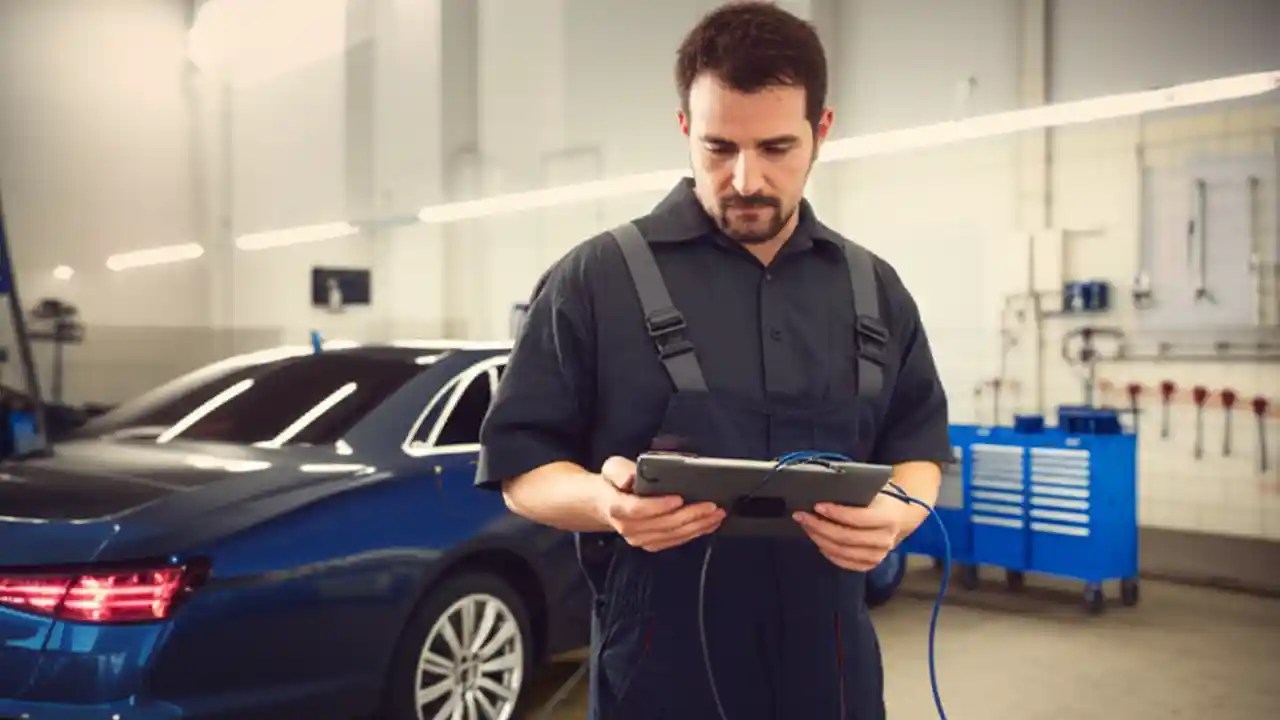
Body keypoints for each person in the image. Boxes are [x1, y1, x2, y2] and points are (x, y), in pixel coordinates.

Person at [476, 2, 952, 718]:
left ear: (822, 131)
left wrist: (901, 512)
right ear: (683, 131)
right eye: (719, 148)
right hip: (660, 678)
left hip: (832, 674)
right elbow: (520, 473)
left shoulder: (873, 288)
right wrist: (607, 505)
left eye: (776, 148)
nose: (746, 179)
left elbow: (918, 449)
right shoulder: (594, 281)